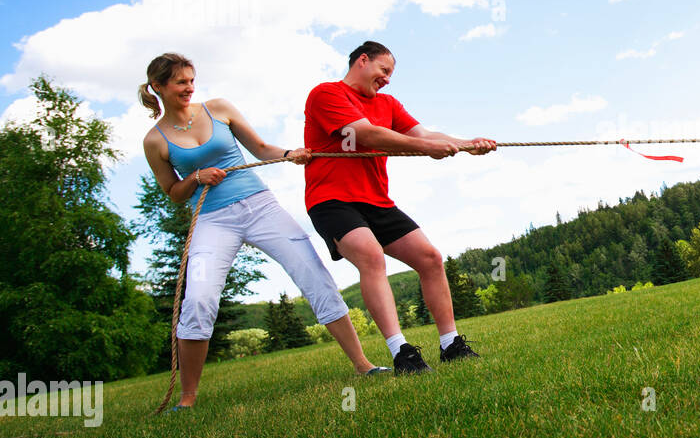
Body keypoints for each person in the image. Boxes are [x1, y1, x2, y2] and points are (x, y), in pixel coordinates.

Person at [141, 53, 388, 411]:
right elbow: (173, 193)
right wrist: (195, 177)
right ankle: (188, 397)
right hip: (213, 220)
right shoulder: (154, 140)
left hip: (260, 206)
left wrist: (290, 153)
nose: (189, 87)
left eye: (192, 80)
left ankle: (363, 365)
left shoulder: (218, 108)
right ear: (159, 87)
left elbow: (259, 148)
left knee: (311, 273)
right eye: (180, 82)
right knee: (198, 299)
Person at [303, 41, 497, 373]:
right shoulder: (326, 94)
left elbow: (424, 133)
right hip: (332, 199)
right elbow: (366, 135)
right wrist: (425, 148)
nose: (388, 80)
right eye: (384, 70)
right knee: (371, 255)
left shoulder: (388, 103)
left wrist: (467, 144)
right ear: (362, 61)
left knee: (430, 258)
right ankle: (402, 353)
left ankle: (450, 345)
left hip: (376, 200)